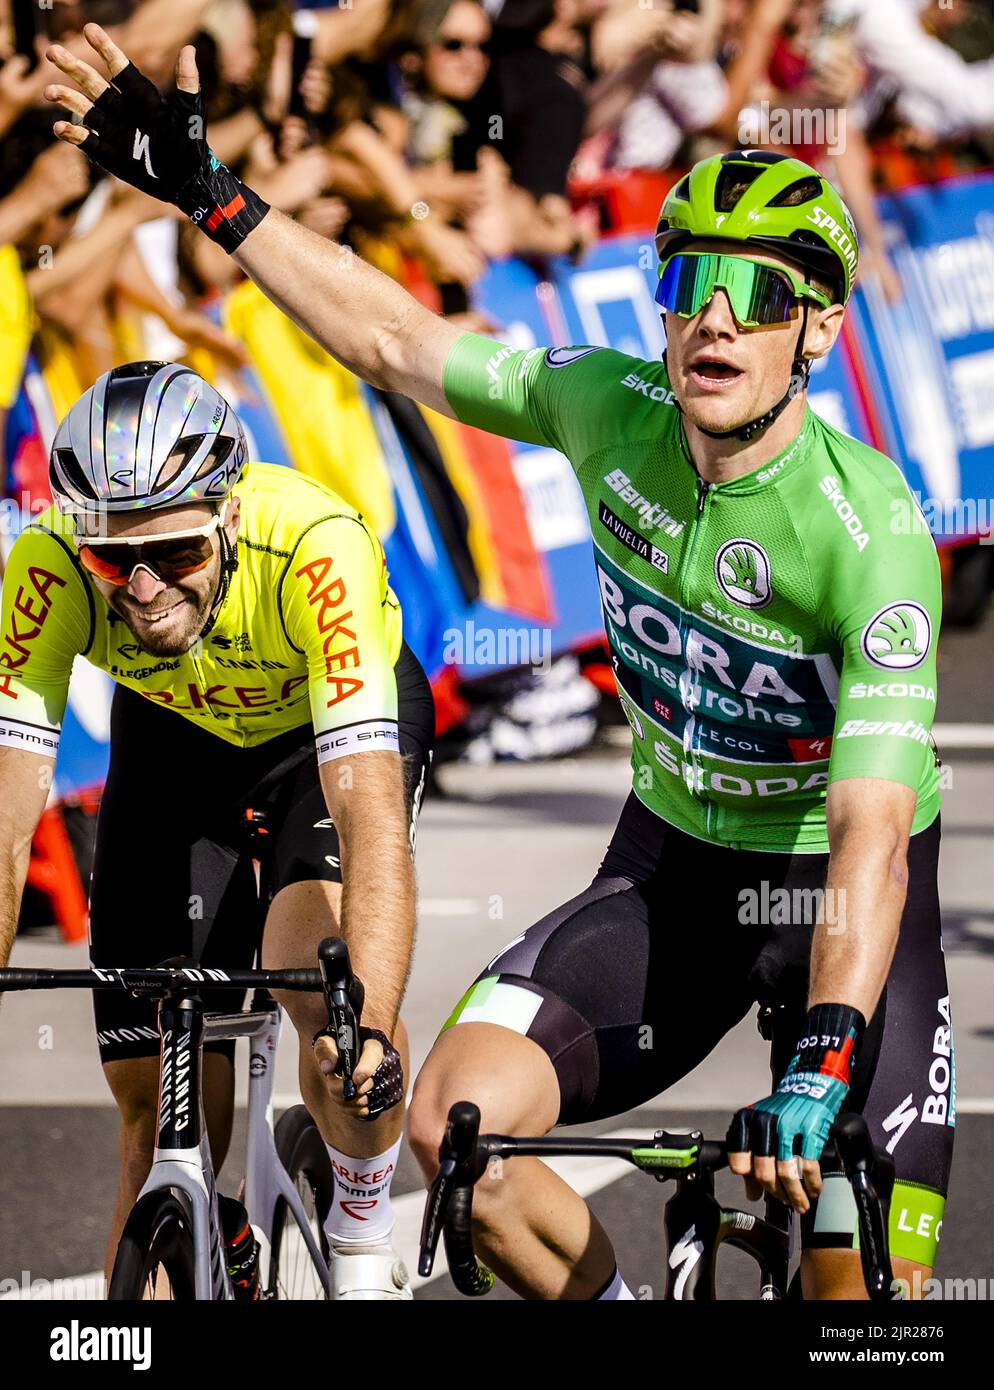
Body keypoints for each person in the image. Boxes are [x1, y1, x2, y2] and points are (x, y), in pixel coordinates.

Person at [42, 28, 950, 1300]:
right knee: (454, 1133)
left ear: (820, 328)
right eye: (692, 281)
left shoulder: (873, 534)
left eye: (763, 297)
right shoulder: (608, 404)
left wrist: (826, 1053)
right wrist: (216, 196)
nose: (716, 320)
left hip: (838, 900)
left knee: (864, 1282)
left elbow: (869, 830)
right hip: (674, 871)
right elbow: (399, 342)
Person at [0, 360, 433, 1300]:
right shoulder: (45, 566)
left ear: (228, 516)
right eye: (115, 560)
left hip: (320, 739)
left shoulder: (316, 544)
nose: (146, 587)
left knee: (327, 996)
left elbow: (366, 815)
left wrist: (370, 1018)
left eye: (177, 554)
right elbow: (5, 808)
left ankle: (360, 1220)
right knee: (154, 1100)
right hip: (177, 734)